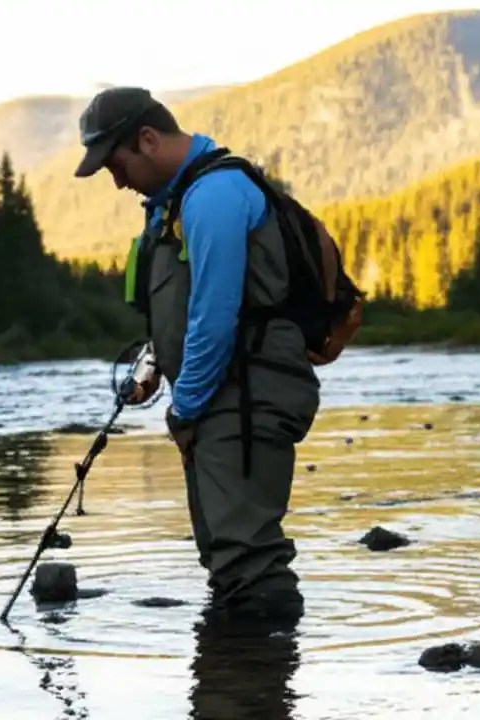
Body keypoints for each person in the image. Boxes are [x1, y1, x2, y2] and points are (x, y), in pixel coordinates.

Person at [73, 86, 321, 623]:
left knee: (248, 558)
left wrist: (183, 410)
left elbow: (214, 315)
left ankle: (257, 688)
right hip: (221, 397)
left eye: (116, 165)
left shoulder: (214, 197)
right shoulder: (173, 205)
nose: (115, 181)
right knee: (224, 554)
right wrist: (156, 364)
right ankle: (232, 683)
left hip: (250, 395)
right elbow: (186, 312)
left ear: (147, 139)